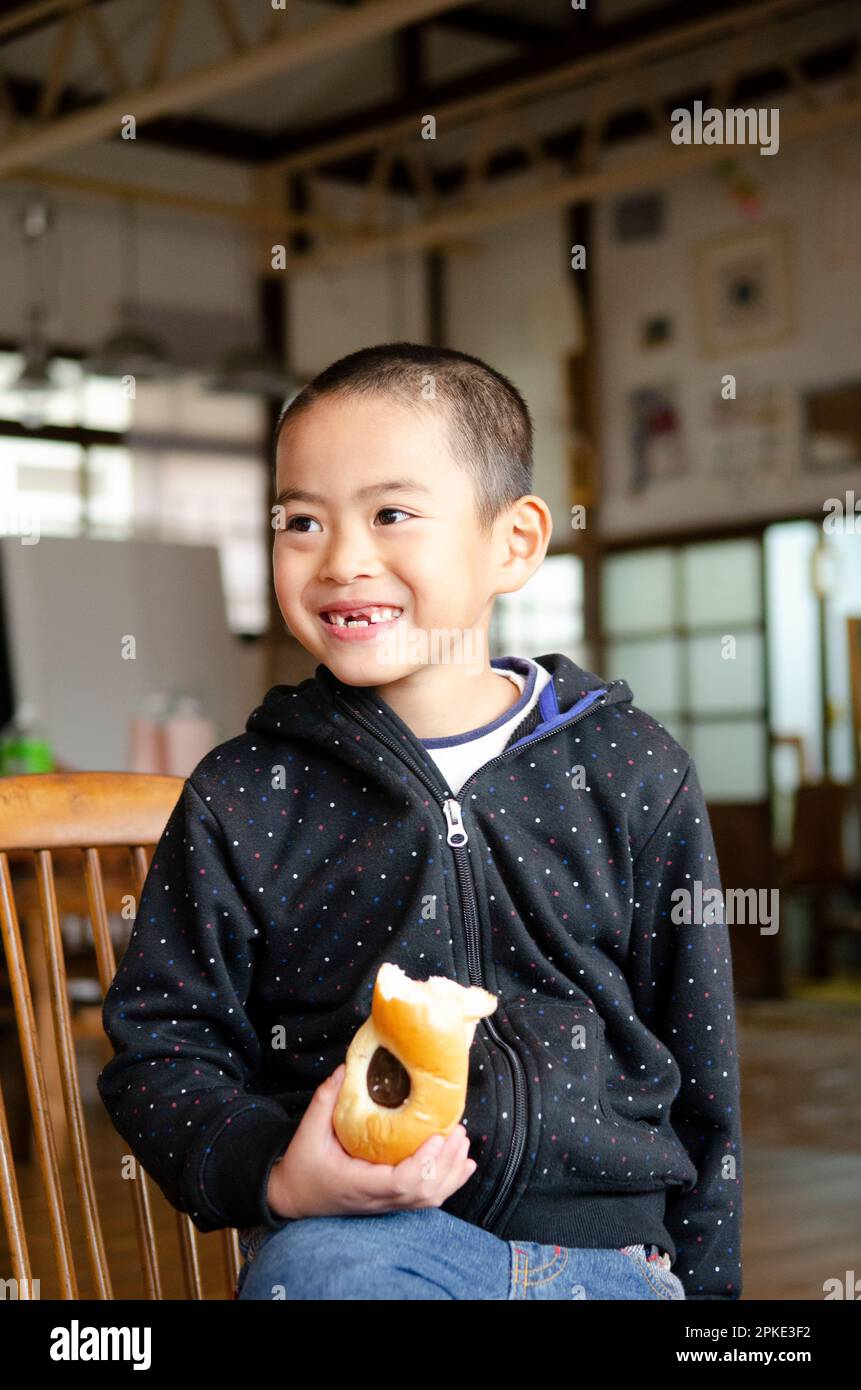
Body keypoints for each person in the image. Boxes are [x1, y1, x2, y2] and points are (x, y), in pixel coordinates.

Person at [98, 342, 743, 1301]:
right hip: (369, 1249)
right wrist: (277, 1174)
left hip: (611, 1262)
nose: (342, 560)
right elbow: (163, 1048)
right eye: (300, 521)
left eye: (391, 513)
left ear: (512, 543)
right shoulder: (245, 793)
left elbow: (701, 1067)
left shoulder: (630, 768)